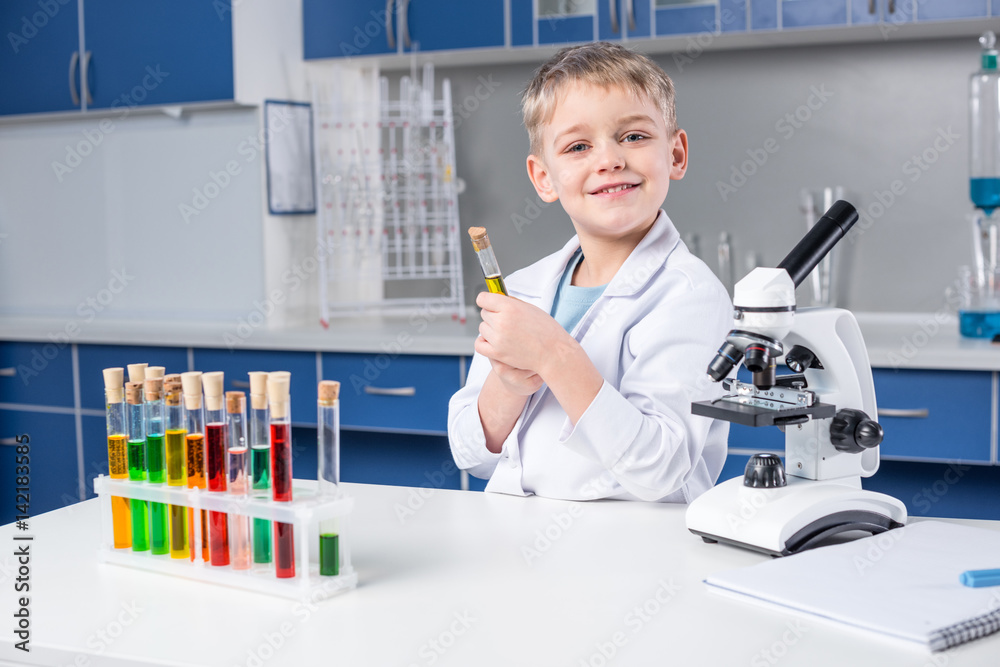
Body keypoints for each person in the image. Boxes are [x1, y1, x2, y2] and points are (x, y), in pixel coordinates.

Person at [448, 42, 732, 502]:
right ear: (544, 177)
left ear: (676, 155)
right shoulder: (522, 289)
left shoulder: (691, 296)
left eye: (634, 136)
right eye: (578, 146)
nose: (609, 160)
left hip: (633, 557)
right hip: (513, 545)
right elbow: (472, 454)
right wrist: (508, 384)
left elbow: (661, 469)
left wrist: (555, 356)